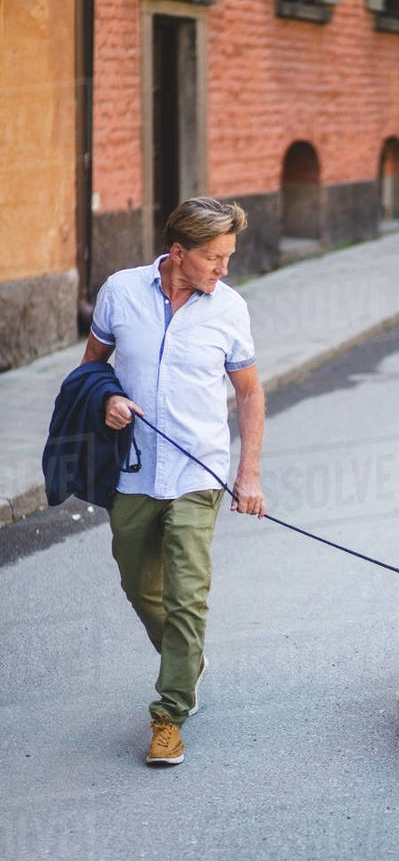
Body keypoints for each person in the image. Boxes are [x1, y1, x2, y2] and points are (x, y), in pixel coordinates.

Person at [81, 197, 266, 767]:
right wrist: (107, 399)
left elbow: (249, 392)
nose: (224, 270)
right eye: (214, 258)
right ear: (178, 252)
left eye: (229, 257)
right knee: (140, 588)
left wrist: (249, 473)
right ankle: (188, 660)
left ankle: (170, 715)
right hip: (133, 471)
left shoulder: (229, 309)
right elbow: (90, 369)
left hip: (198, 473)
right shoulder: (120, 292)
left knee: (187, 597)